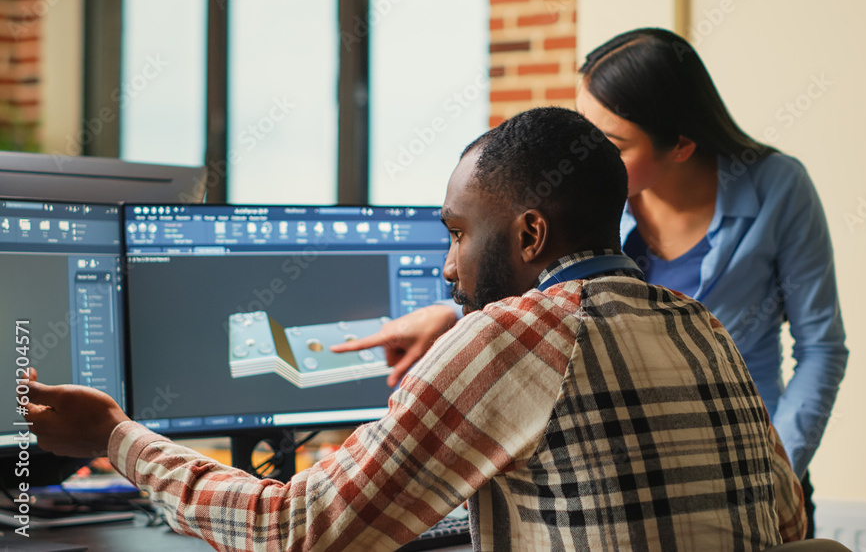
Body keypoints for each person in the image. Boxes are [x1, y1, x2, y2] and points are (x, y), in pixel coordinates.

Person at [27, 107, 806, 551]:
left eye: (459, 233)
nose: (447, 265)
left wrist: (115, 437)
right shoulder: (701, 325)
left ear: (530, 235)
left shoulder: (511, 337)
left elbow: (295, 527)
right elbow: (789, 518)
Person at [335, 29, 848, 536]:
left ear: (681, 145)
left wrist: (775, 466)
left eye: (611, 143)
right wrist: (453, 316)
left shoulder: (777, 189)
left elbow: (821, 347)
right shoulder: (592, 201)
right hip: (616, 452)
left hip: (741, 453)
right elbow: (560, 301)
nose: (581, 154)